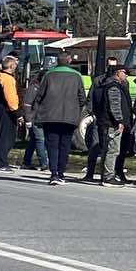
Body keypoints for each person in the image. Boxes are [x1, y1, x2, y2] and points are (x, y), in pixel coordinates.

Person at [30, 56, 87, 186]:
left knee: (52, 145)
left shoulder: (49, 75)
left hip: (50, 115)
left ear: (57, 62)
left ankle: (54, 172)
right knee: (65, 145)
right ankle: (61, 172)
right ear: (70, 61)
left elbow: (39, 95)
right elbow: (82, 97)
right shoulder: (77, 76)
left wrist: (36, 111)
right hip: (70, 116)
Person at [83, 57, 118, 182]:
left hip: (111, 120)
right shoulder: (98, 81)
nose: (111, 69)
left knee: (111, 147)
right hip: (99, 118)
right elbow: (90, 99)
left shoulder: (121, 81)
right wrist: (92, 114)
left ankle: (110, 174)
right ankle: (90, 173)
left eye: (114, 66)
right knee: (95, 146)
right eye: (110, 66)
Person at [99, 65, 133, 185]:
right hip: (112, 123)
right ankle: (108, 177)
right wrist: (119, 121)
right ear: (118, 73)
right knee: (113, 150)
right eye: (125, 72)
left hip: (109, 122)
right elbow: (115, 106)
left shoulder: (116, 86)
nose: (127, 75)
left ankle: (105, 174)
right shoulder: (113, 87)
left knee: (108, 149)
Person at [0, 57, 21, 171]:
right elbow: (10, 97)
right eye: (15, 65)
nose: (16, 67)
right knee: (6, 137)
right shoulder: (8, 79)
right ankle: (1, 162)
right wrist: (17, 113)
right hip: (6, 110)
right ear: (11, 66)